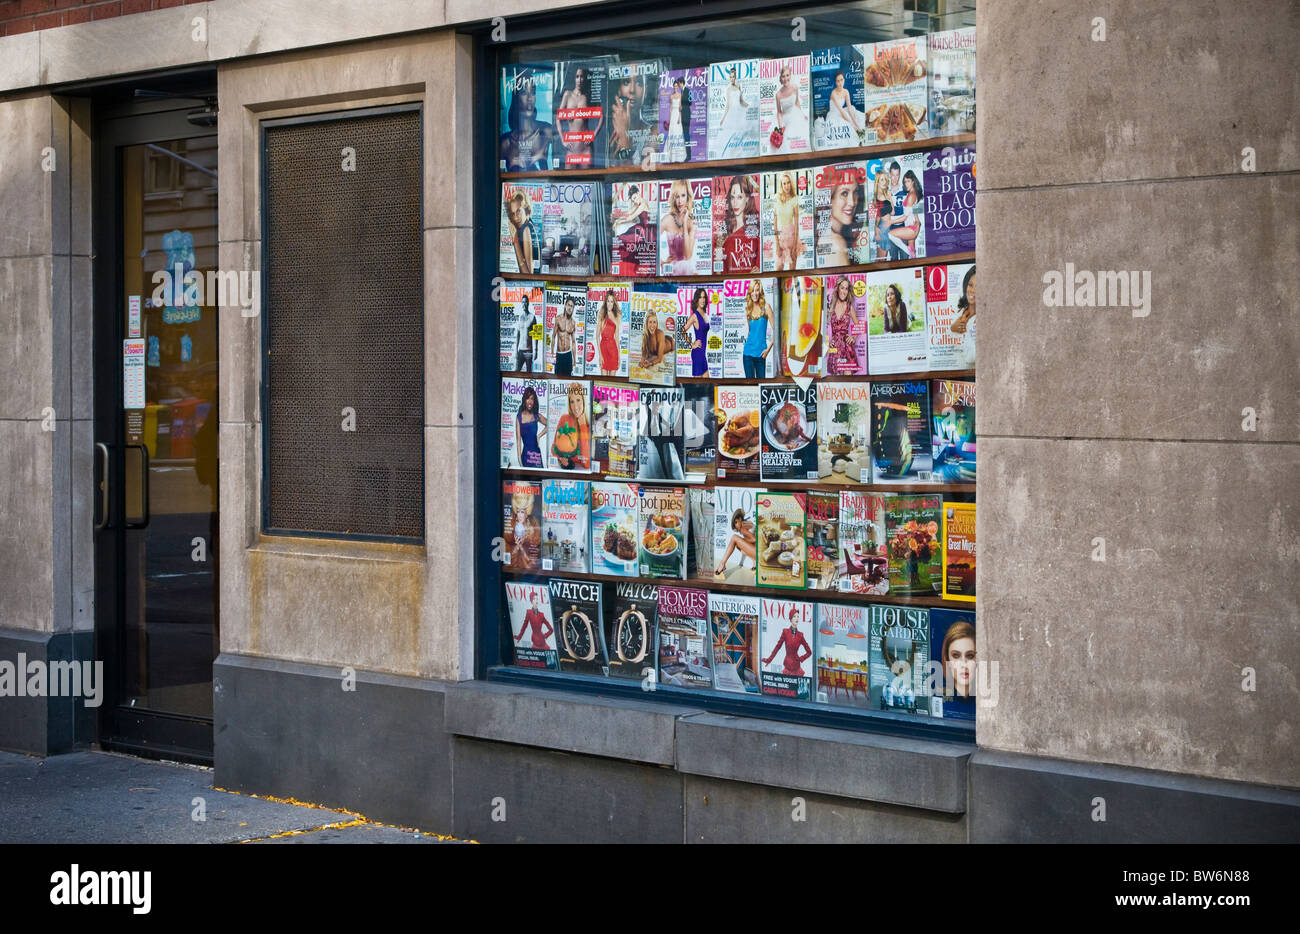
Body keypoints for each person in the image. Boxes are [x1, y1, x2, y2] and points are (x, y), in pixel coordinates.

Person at [500, 68, 561, 171]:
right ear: (516, 98)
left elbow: (561, 167)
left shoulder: (546, 132)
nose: (529, 98)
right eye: (524, 93)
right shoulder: (506, 142)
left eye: (533, 92)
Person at [557, 65, 600, 167]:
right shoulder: (567, 94)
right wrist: (562, 139)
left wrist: (593, 134)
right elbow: (558, 118)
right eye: (577, 76)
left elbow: (601, 115)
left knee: (588, 181)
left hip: (586, 148)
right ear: (573, 78)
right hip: (571, 149)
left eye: (582, 77)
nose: (579, 80)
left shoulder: (587, 96)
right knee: (568, 181)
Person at [823, 173, 862, 267]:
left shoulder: (829, 235)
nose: (852, 202)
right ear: (829, 199)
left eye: (855, 192)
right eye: (844, 193)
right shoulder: (837, 243)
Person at [721, 175, 758, 272]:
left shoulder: (756, 225)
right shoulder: (724, 228)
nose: (735, 203)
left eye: (740, 197)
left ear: (747, 198)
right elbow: (719, 269)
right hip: (729, 285)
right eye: (732, 197)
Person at [660, 179, 697, 276]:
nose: (680, 201)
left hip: (688, 270)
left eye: (683, 196)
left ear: (688, 197)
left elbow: (688, 255)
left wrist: (685, 224)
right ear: (673, 198)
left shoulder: (692, 222)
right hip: (671, 270)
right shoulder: (667, 219)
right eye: (677, 196)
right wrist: (662, 262)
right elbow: (651, 240)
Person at [825, 275, 861, 374]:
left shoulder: (849, 307)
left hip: (847, 348)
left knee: (848, 380)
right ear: (837, 289)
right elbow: (823, 326)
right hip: (835, 347)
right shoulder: (830, 306)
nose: (844, 291)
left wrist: (853, 338)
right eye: (842, 288)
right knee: (836, 381)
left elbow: (858, 325)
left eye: (846, 289)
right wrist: (828, 341)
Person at [885, 169, 923, 259]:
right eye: (905, 181)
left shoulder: (910, 196)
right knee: (913, 253)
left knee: (890, 234)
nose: (906, 184)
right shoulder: (913, 194)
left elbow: (905, 217)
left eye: (908, 181)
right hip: (912, 226)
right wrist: (918, 221)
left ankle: (909, 253)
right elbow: (914, 212)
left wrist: (890, 222)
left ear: (913, 181)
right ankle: (912, 257)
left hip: (910, 228)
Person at [551, 382, 590, 470]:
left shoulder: (589, 425)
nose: (575, 406)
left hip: (581, 472)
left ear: (584, 401)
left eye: (578, 400)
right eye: (572, 401)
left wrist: (583, 426)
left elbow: (587, 463)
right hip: (565, 470)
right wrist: (560, 458)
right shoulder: (564, 418)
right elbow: (554, 447)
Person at [741, 279, 775, 378]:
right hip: (747, 354)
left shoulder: (766, 307)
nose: (755, 293)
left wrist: (768, 350)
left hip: (761, 354)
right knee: (750, 387)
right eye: (752, 291)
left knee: (761, 385)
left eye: (757, 290)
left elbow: (776, 332)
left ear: (760, 292)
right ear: (750, 293)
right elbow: (750, 331)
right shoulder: (748, 309)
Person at [771, 63, 808, 153]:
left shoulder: (795, 87)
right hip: (785, 117)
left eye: (787, 75)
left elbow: (797, 102)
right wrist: (780, 126)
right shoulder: (778, 95)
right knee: (786, 139)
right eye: (783, 76)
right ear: (780, 78)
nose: (785, 78)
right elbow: (779, 112)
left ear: (790, 75)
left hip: (795, 114)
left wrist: (803, 114)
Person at [771, 172, 802, 270]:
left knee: (792, 272)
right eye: (784, 183)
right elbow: (774, 223)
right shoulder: (776, 198)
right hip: (780, 238)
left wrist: (794, 247)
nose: (786, 186)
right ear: (781, 184)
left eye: (788, 183)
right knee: (778, 271)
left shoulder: (794, 199)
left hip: (792, 237)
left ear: (791, 183)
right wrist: (776, 244)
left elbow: (797, 223)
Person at [718, 65, 750, 157]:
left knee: (740, 133)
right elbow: (728, 105)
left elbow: (741, 101)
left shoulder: (739, 86)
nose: (731, 79)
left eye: (733, 77)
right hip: (732, 113)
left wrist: (749, 106)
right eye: (730, 77)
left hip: (740, 111)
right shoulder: (728, 89)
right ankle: (731, 153)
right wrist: (723, 118)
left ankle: (741, 153)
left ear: (735, 77)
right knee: (732, 133)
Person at [714, 508, 756, 577]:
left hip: (758, 552)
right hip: (758, 552)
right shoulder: (747, 523)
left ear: (740, 518)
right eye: (735, 524)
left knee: (734, 537)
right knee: (738, 545)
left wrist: (741, 540)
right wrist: (741, 542)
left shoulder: (743, 527)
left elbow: (754, 539)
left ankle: (722, 564)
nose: (736, 526)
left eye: (736, 522)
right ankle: (755, 563)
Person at [825, 70, 863, 145]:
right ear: (836, 82)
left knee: (852, 110)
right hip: (834, 115)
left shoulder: (846, 92)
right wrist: (852, 124)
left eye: (841, 80)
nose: (840, 83)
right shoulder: (833, 93)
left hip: (842, 112)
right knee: (846, 125)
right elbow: (841, 110)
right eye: (838, 81)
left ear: (844, 80)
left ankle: (858, 128)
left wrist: (856, 124)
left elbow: (849, 108)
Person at [948, 266, 976, 368]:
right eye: (970, 285)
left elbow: (971, 358)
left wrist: (961, 329)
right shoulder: (958, 310)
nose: (973, 290)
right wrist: (953, 327)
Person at [515, 385, 547, 468]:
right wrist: (519, 461)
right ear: (524, 400)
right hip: (525, 457)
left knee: (539, 480)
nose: (530, 401)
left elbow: (550, 424)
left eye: (532, 399)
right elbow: (518, 441)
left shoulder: (536, 416)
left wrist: (539, 436)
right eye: (528, 398)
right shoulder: (519, 417)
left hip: (536, 457)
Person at [505, 190, 535, 274]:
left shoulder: (526, 229)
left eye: (518, 211)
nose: (516, 218)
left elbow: (528, 274)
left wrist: (515, 240)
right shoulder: (528, 224)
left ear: (526, 211)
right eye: (513, 213)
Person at [595, 288, 622, 375]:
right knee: (603, 380)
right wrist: (600, 355)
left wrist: (619, 357)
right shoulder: (601, 315)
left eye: (611, 301)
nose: (610, 304)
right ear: (605, 302)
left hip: (613, 349)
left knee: (612, 381)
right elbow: (597, 336)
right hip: (603, 348)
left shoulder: (616, 316)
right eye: (608, 301)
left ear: (614, 303)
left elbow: (617, 338)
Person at [870, 170, 894, 260]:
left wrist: (890, 197)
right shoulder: (880, 196)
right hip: (883, 228)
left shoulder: (885, 194)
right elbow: (881, 215)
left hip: (885, 227)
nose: (884, 182)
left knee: (881, 259)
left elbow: (892, 212)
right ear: (877, 182)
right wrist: (876, 230)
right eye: (881, 180)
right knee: (881, 259)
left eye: (885, 179)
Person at [663, 77, 688, 163]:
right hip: (673, 115)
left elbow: (680, 108)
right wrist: (669, 120)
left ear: (678, 87)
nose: (675, 87)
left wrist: (679, 118)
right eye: (674, 86)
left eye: (676, 86)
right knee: (672, 133)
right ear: (672, 87)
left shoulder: (680, 95)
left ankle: (679, 156)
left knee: (678, 133)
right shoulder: (671, 96)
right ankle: (671, 156)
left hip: (677, 115)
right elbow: (670, 109)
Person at [686, 287, 710, 377]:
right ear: (696, 299)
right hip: (698, 354)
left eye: (704, 297)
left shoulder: (704, 314)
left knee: (707, 383)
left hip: (703, 353)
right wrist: (692, 344)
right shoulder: (695, 315)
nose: (702, 300)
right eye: (700, 297)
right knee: (698, 385)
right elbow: (682, 330)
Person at [552, 294, 577, 376]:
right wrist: (552, 355)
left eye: (572, 306)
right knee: (557, 378)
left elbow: (573, 342)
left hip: (568, 355)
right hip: (559, 354)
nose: (570, 308)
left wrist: (574, 359)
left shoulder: (573, 322)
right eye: (569, 305)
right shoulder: (558, 319)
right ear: (565, 305)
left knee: (568, 379)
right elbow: (553, 337)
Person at [515, 293, 539, 371]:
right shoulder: (519, 317)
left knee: (529, 373)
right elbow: (517, 335)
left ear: (528, 303)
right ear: (521, 304)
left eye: (525, 302)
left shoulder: (532, 317)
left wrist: (536, 351)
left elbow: (536, 335)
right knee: (516, 371)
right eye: (522, 302)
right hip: (520, 350)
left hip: (529, 350)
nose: (524, 304)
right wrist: (516, 350)